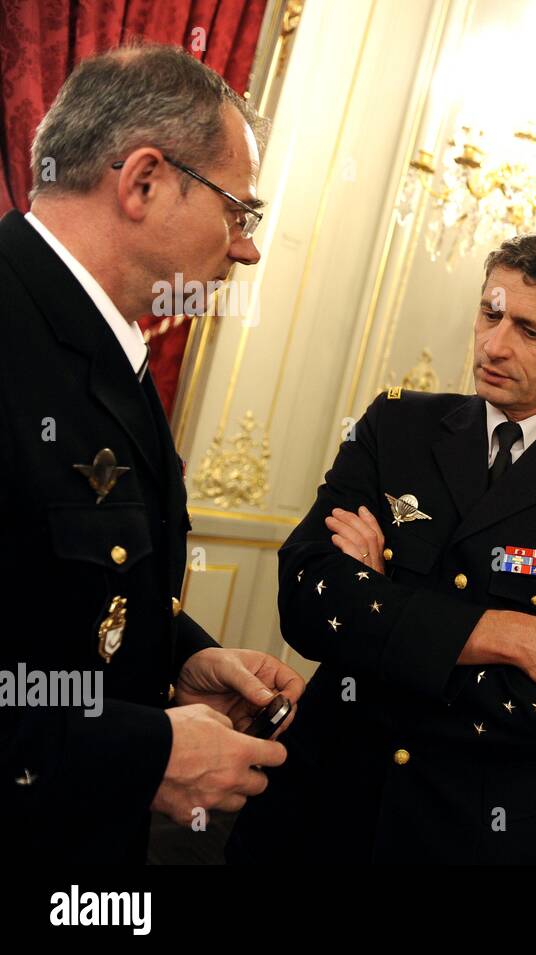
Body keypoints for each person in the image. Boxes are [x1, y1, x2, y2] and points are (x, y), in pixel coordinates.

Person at [227, 232, 536, 864]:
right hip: (321, 806)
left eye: (529, 331)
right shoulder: (397, 424)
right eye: (490, 313)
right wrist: (517, 637)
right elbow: (306, 601)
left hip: (466, 832)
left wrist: (381, 605)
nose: (494, 345)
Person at [0, 44, 305, 864]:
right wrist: (144, 752)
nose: (246, 249)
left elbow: (59, 600)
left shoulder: (107, 345)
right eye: (239, 212)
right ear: (141, 181)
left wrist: (180, 658)